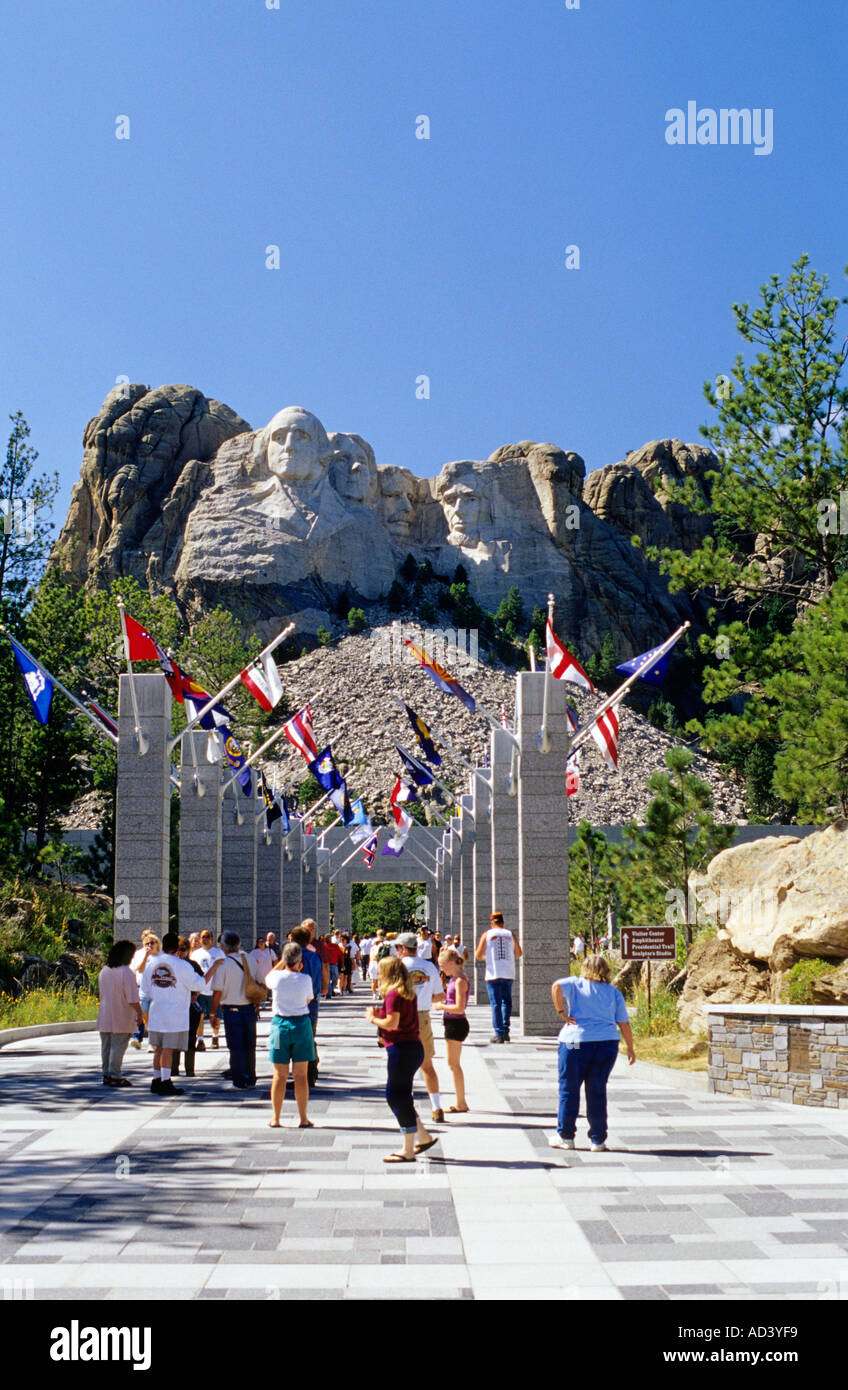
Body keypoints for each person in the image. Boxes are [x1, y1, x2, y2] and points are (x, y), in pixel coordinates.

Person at [550, 953, 636, 1152]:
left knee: (568, 1088)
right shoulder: (613, 993)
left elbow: (555, 986)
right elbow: (623, 1022)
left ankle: (566, 1136)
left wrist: (561, 1012)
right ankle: (597, 1139)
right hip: (607, 1043)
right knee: (597, 1090)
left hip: (574, 1042)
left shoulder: (575, 983)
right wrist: (630, 1047)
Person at [366, 956, 438, 1163]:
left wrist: (372, 1018)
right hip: (413, 1047)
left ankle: (407, 1150)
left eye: (381, 971)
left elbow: (392, 1022)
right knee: (403, 1095)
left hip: (401, 1049)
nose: (378, 975)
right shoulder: (408, 993)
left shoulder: (392, 994)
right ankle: (423, 1136)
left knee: (395, 1096)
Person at [140, 932, 202, 1097]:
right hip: (174, 1014)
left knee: (158, 1049)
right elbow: (198, 983)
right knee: (168, 1050)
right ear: (176, 947)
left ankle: (156, 1079)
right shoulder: (182, 965)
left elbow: (145, 989)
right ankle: (166, 1082)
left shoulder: (152, 963)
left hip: (156, 1011)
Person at [393, 933, 446, 1123]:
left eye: (398, 948)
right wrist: (425, 998)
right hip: (422, 1016)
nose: (396, 952)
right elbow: (440, 996)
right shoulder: (429, 967)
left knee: (402, 1067)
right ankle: (437, 1107)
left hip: (402, 1017)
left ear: (404, 949)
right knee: (427, 1065)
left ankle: (407, 1108)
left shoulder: (399, 967)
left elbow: (390, 996)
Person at [266, 943, 316, 1128]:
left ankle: (276, 1117)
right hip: (301, 1025)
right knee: (301, 1075)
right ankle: (303, 1118)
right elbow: (308, 999)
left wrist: (282, 962)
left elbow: (267, 977)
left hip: (279, 1025)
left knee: (279, 1074)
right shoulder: (305, 979)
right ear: (299, 962)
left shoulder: (276, 978)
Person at [208, 931, 265, 1089]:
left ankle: (239, 1079)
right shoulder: (250, 959)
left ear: (223, 946)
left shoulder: (223, 964)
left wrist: (213, 1014)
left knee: (236, 1046)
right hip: (249, 1008)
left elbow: (217, 991)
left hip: (231, 1009)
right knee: (249, 1045)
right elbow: (261, 983)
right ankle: (250, 1076)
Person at [97, 940, 143, 1087]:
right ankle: (115, 1075)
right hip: (122, 1015)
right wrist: (140, 1013)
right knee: (118, 1046)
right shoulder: (126, 972)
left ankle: (106, 1074)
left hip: (105, 1014)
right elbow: (132, 998)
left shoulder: (105, 970)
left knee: (106, 1046)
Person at [475, 911, 522, 1044]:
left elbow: (478, 955)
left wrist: (487, 958)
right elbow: (519, 953)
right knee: (506, 1002)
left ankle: (498, 1033)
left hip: (493, 973)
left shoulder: (487, 934)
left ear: (492, 923)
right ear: (502, 922)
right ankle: (506, 1031)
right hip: (508, 972)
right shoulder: (510, 934)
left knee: (495, 1003)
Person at [432, 948, 469, 1112]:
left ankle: (461, 1102)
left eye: (443, 965)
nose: (442, 969)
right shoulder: (455, 978)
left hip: (456, 1023)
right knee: (453, 1064)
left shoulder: (460, 980)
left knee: (453, 1064)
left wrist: (441, 1006)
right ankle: (460, 1101)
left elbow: (460, 1008)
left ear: (452, 963)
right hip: (452, 1023)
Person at [289, 922, 323, 1086]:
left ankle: (302, 1076)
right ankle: (311, 1072)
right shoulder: (315, 956)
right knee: (309, 1037)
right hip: (313, 1001)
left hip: (297, 1003)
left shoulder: (294, 957)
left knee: (296, 1041)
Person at [171, 937, 203, 1078]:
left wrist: (195, 994)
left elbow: (201, 981)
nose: (179, 953)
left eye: (183, 950)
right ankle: (173, 1068)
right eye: (177, 950)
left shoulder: (193, 965)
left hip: (190, 1006)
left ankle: (190, 1069)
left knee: (190, 1038)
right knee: (174, 1037)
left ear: (188, 950)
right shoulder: (169, 965)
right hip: (175, 1006)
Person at [192, 929, 223, 1050]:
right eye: (203, 937)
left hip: (214, 990)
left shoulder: (218, 953)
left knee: (216, 1016)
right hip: (200, 991)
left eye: (207, 937)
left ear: (212, 939)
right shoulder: (195, 954)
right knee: (199, 1016)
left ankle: (215, 1036)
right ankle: (200, 1040)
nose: (205, 939)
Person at [129, 931, 160, 1049]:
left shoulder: (160, 955)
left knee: (152, 1017)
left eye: (152, 942)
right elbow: (137, 970)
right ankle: (137, 1037)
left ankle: (152, 1041)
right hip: (142, 988)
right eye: (146, 941)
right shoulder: (138, 954)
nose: (149, 944)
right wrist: (146, 956)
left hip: (156, 990)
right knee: (141, 1014)